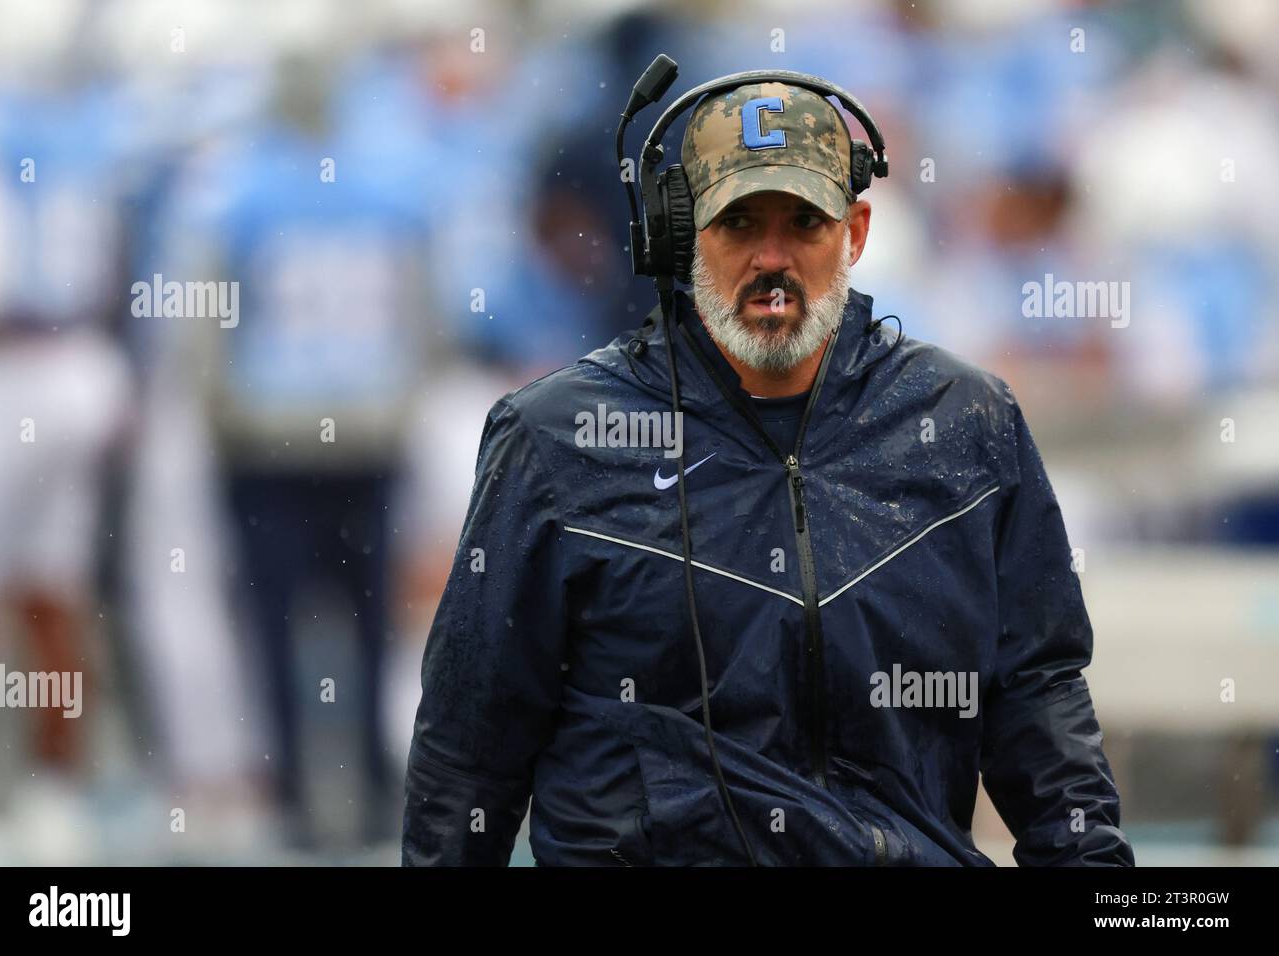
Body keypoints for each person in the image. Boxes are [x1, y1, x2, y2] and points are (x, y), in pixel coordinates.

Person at [402, 78, 1134, 866]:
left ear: (855, 233)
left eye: (805, 223)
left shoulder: (965, 425)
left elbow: (1039, 703)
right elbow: (469, 752)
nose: (773, 259)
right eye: (739, 221)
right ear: (681, 234)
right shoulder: (557, 441)